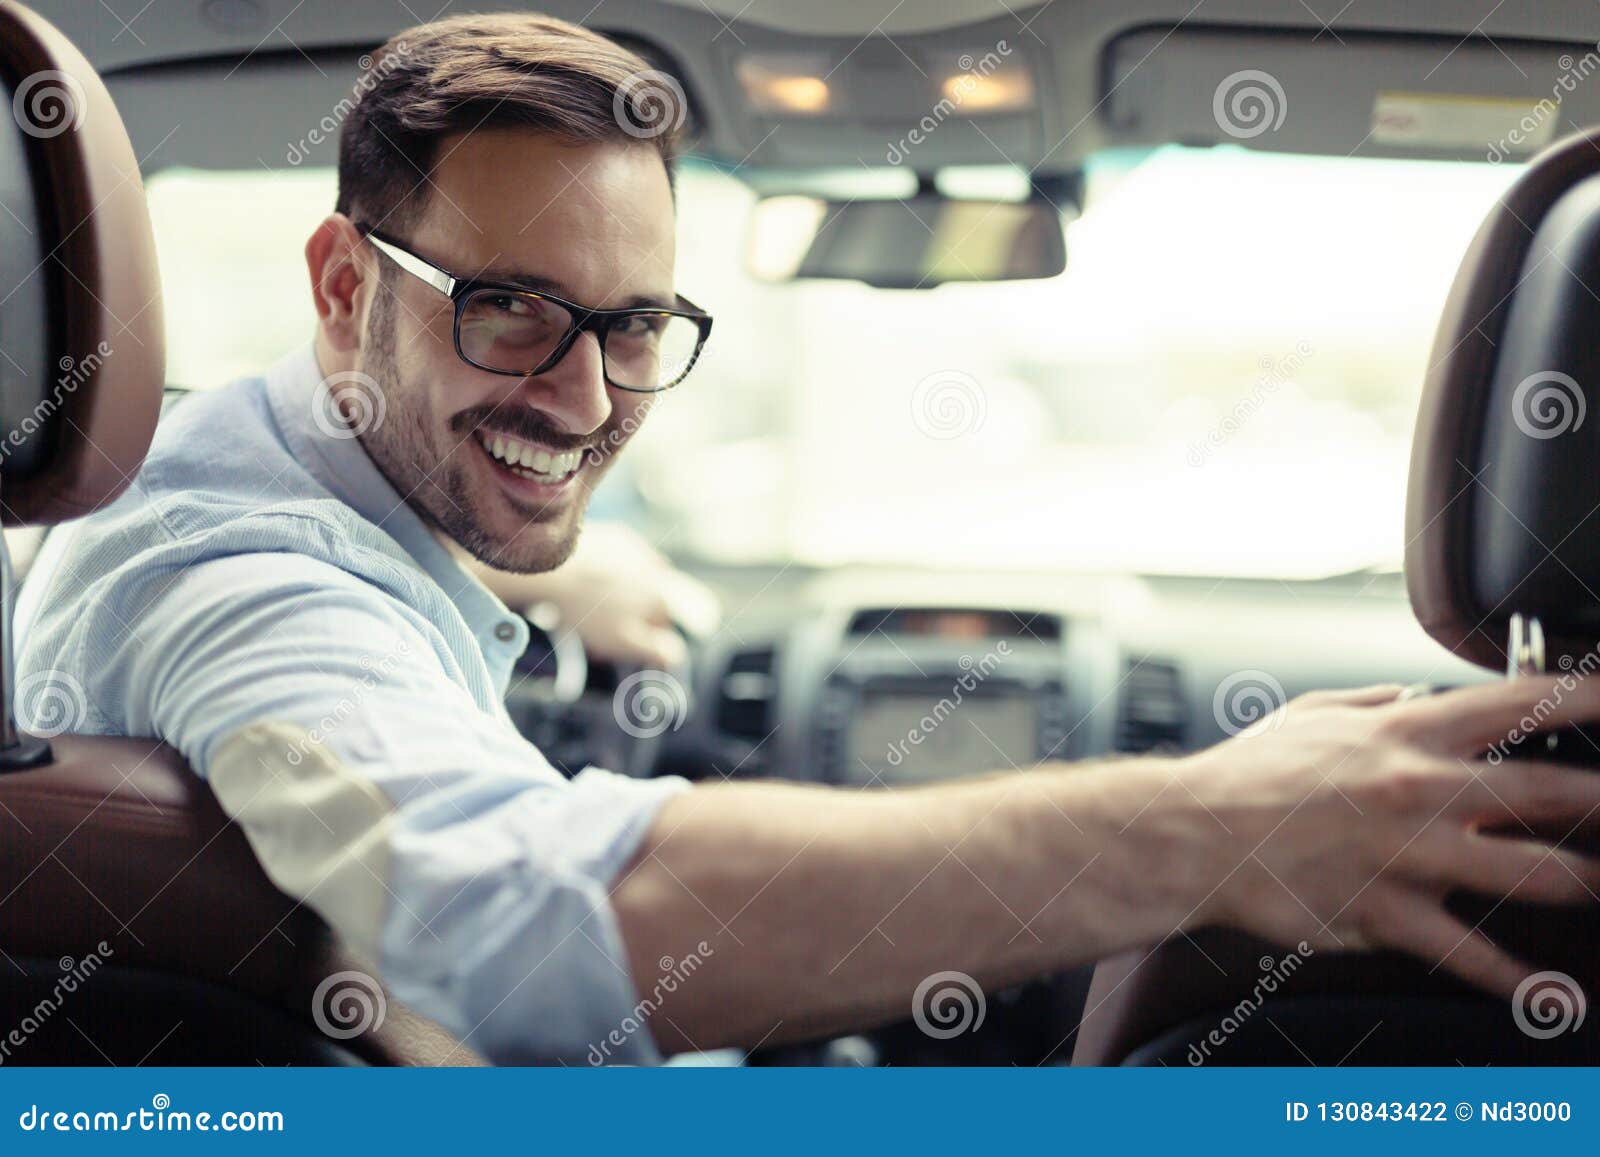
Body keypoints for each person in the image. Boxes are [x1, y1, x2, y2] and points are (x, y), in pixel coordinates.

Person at [17, 12, 1600, 1065]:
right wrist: (1226, 820)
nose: (581, 398)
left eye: (634, 325)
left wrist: (531, 566)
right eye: (510, 311)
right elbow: (522, 926)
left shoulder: (231, 478)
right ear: (346, 284)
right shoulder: (229, 583)